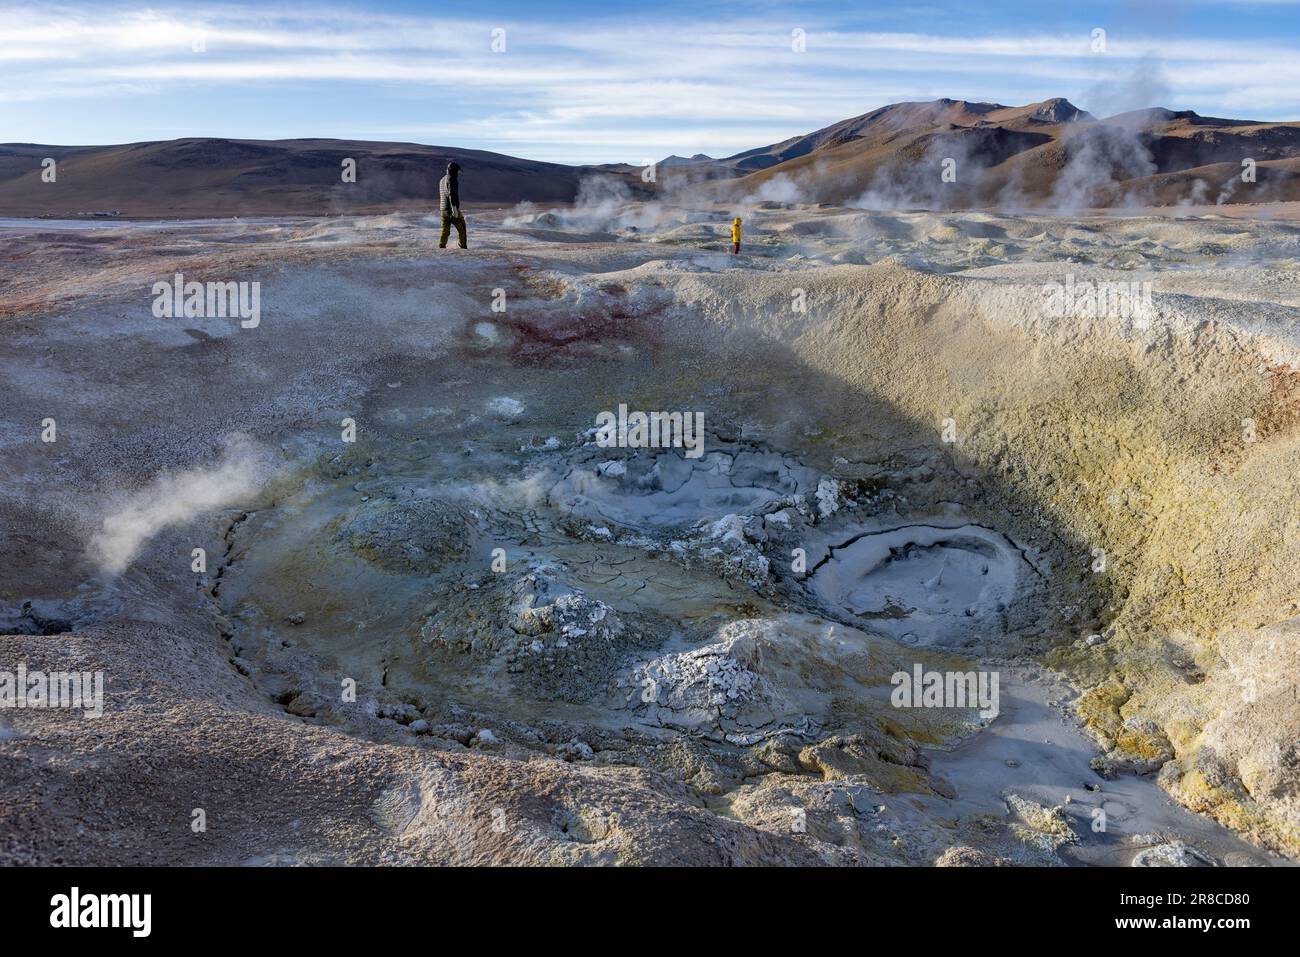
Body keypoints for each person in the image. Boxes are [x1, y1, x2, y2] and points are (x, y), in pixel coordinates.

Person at [438, 161, 467, 249]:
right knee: (462, 228)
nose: (458, 173)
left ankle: (441, 247)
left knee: (445, 231)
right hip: (451, 208)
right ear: (453, 171)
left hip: (443, 209)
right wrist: (454, 209)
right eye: (457, 171)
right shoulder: (452, 179)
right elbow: (452, 194)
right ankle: (463, 247)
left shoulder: (442, 179)